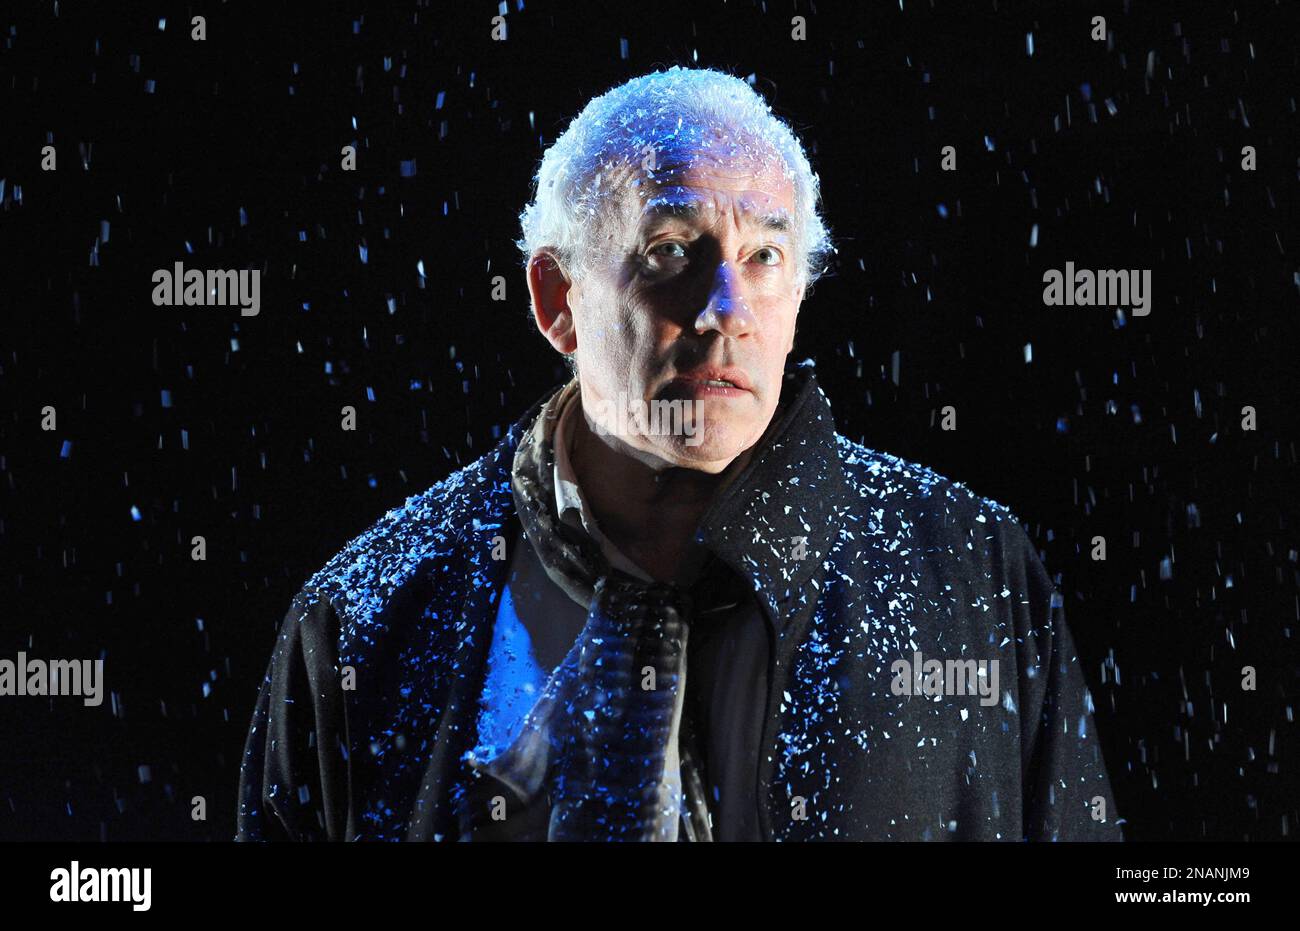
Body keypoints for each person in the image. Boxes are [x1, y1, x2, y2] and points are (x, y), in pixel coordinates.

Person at [236, 66, 1122, 842]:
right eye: (671, 253)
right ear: (556, 299)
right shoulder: (366, 616)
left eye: (765, 255)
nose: (724, 307)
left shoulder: (971, 573)